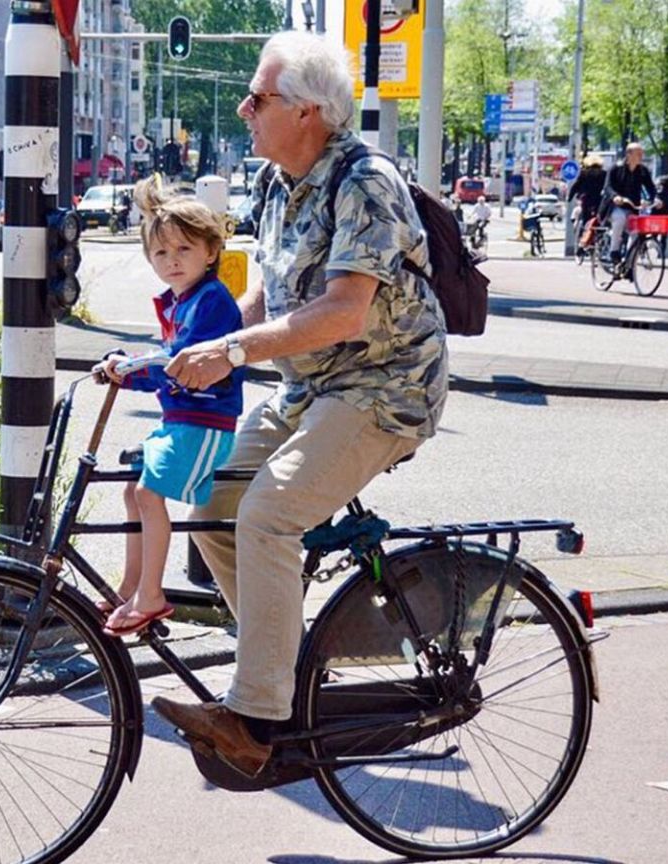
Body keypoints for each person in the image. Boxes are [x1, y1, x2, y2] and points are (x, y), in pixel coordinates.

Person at [150, 31, 447, 777]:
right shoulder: (275, 183)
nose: (246, 108)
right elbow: (269, 297)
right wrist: (191, 343)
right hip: (308, 386)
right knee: (214, 501)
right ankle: (283, 672)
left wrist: (236, 353)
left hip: (386, 386)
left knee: (268, 513)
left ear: (309, 112)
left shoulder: (366, 183)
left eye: (259, 97)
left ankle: (255, 715)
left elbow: (346, 311)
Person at [93, 177, 245, 637]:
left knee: (147, 494)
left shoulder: (211, 301)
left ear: (211, 252)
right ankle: (131, 585)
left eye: (184, 249)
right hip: (179, 420)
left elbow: (181, 365)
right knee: (130, 491)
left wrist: (132, 367)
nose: (172, 260)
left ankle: (151, 595)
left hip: (205, 423)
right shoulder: (183, 301)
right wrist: (129, 369)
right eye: (161, 253)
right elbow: (165, 364)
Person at [601, 142, 657, 262]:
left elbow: (651, 187)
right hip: (615, 206)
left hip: (633, 207)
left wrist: (650, 200)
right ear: (628, 154)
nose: (641, 156)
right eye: (638, 154)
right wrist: (615, 196)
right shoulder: (616, 168)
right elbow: (607, 186)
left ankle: (630, 263)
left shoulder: (643, 171)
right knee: (619, 217)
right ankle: (613, 251)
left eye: (642, 153)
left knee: (636, 232)